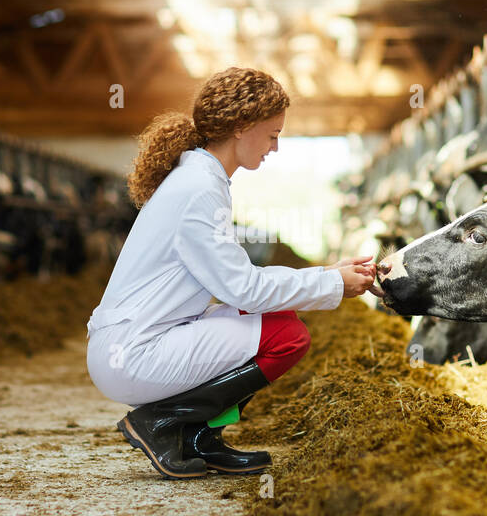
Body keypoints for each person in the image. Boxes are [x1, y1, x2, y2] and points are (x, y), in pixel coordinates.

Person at [85, 67, 375, 479]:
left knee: (281, 322)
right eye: (273, 135)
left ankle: (200, 439)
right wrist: (332, 284)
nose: (275, 148)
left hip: (138, 339)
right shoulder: (199, 189)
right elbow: (244, 289)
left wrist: (330, 271)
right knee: (288, 337)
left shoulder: (200, 180)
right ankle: (163, 422)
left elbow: (236, 277)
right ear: (242, 127)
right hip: (134, 353)